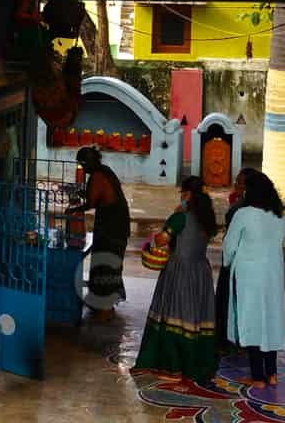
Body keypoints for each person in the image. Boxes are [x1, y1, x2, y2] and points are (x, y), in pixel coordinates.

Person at [133, 176, 220, 383]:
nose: (180, 196)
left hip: (179, 270)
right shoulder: (207, 218)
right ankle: (194, 365)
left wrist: (152, 239)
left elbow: (161, 240)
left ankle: (172, 367)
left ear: (188, 194)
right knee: (194, 319)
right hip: (200, 271)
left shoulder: (181, 217)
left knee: (174, 315)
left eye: (182, 192)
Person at [222, 170, 285, 389]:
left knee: (251, 320)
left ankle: (257, 377)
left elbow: (229, 247)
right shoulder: (281, 218)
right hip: (272, 275)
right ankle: (272, 374)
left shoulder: (244, 214)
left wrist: (227, 263)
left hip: (248, 276)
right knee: (270, 319)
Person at [67, 146, 130, 317]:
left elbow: (91, 203)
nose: (81, 167)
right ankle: (102, 304)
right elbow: (95, 196)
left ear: (87, 163)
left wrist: (74, 209)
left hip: (112, 226)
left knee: (106, 264)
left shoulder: (97, 176)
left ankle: (105, 309)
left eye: (81, 163)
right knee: (109, 262)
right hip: (117, 223)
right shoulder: (104, 171)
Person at [215, 168, 254, 354]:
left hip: (235, 261)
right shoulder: (243, 204)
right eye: (236, 182)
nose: (236, 186)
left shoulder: (242, 209)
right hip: (241, 261)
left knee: (229, 300)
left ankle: (228, 340)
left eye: (241, 183)